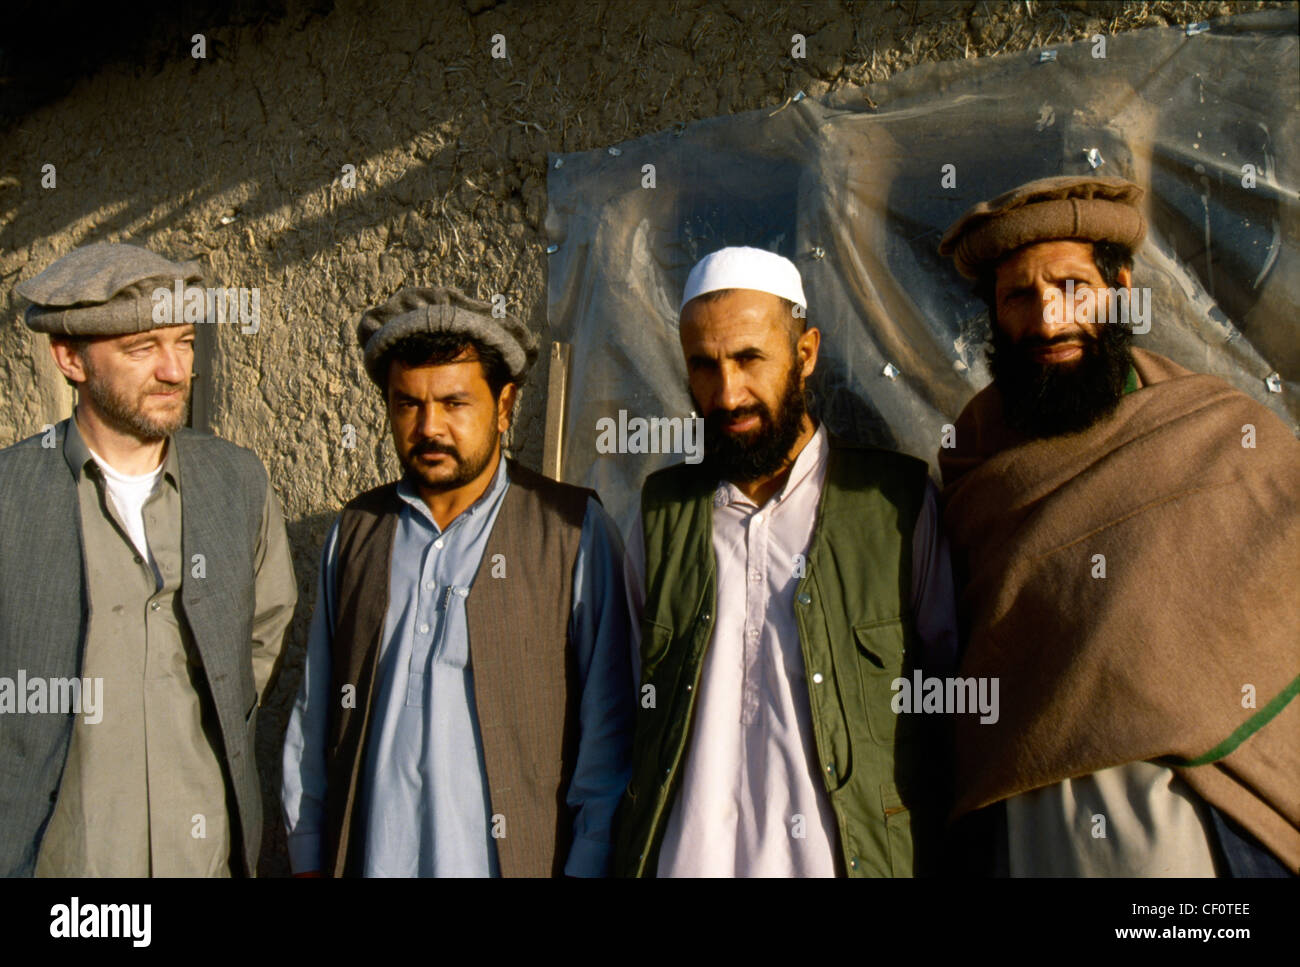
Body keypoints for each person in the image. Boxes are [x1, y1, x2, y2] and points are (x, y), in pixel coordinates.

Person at [937, 174, 1300, 876]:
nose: (1050, 321)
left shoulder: (1222, 431)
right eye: (1020, 296)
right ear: (995, 315)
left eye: (1073, 287)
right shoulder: (972, 482)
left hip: (1222, 821)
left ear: (1120, 288)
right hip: (1047, 838)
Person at [612, 246, 958, 877]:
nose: (727, 393)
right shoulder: (660, 515)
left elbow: (947, 708)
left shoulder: (894, 507)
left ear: (805, 355)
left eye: (749, 359)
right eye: (703, 366)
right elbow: (627, 710)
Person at [282, 285, 633, 877]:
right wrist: (308, 850)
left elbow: (609, 726)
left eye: (454, 403)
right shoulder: (359, 532)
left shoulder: (571, 531)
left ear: (503, 407)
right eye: (408, 405)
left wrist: (589, 861)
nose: (429, 427)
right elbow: (315, 710)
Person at [0, 241, 297, 877]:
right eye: (143, 349)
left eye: (185, 343)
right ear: (69, 358)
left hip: (204, 860)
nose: (175, 370)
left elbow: (262, 632)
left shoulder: (236, 482)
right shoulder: (9, 498)